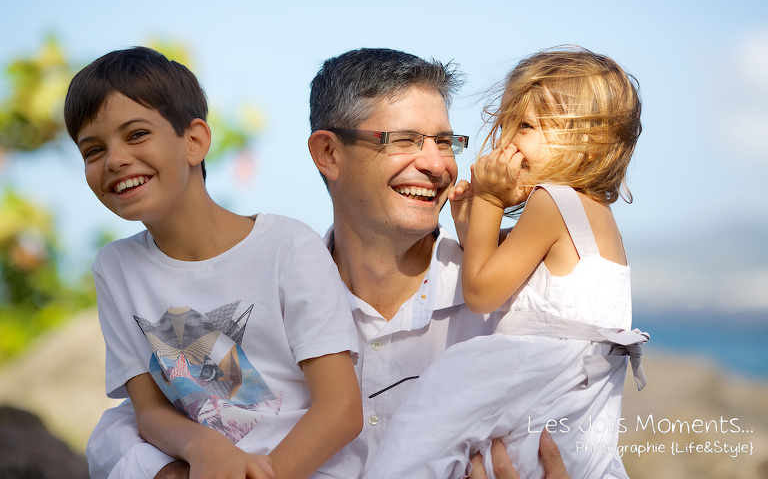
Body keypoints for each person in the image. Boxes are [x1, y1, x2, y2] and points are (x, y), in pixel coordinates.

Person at [83, 47, 571, 479]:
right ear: (328, 153)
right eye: (403, 140)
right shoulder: (273, 283)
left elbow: (579, 430)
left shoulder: (517, 295)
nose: (437, 164)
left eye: (444, 142)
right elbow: (125, 428)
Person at [65, 47, 363, 479]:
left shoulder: (287, 246)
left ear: (195, 141)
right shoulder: (115, 267)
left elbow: (341, 409)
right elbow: (147, 412)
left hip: (306, 467)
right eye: (92, 150)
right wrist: (204, 445)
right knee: (110, 436)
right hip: (204, 467)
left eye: (136, 135)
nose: (114, 160)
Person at [364, 47, 649, 479]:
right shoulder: (593, 214)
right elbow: (510, 269)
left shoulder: (551, 202)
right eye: (507, 125)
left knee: (428, 417)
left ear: (587, 145)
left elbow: (481, 292)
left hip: (534, 386)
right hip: (580, 410)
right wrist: (473, 221)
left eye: (527, 126)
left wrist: (492, 200)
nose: (508, 140)